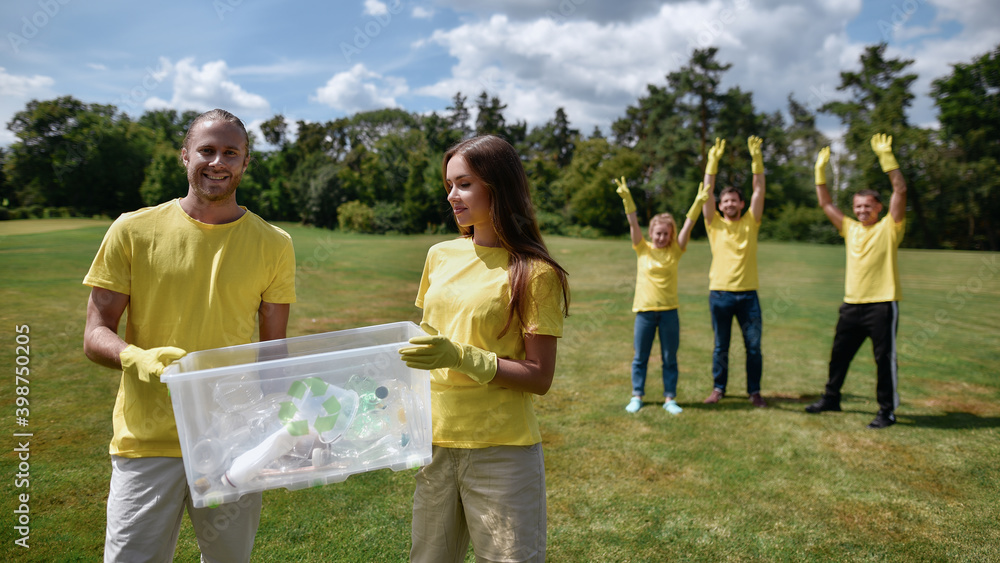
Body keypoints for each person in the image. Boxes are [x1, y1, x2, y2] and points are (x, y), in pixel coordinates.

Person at [82, 108, 297, 562]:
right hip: (147, 439)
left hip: (233, 442)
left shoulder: (275, 243)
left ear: (245, 162)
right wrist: (134, 358)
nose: (218, 161)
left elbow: (272, 352)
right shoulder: (133, 230)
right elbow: (96, 333)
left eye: (230, 152)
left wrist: (280, 432)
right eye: (207, 150)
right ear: (185, 156)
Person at [398, 135, 570, 563]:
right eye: (449, 185)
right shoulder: (440, 255)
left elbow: (540, 377)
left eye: (464, 184)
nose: (452, 196)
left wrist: (460, 356)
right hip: (436, 444)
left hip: (501, 452)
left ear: (499, 186)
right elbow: (426, 345)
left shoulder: (534, 273)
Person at [805, 134, 907, 429]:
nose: (862, 210)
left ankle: (886, 411)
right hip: (852, 305)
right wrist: (819, 172)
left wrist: (887, 158)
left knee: (883, 361)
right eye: (858, 206)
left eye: (868, 206)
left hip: (882, 305)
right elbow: (825, 203)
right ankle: (831, 398)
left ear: (879, 208)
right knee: (839, 355)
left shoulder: (891, 227)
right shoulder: (849, 229)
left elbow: (900, 189)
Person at [614, 176, 708, 414]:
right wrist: (628, 199)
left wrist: (697, 203)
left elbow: (688, 225)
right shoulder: (642, 248)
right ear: (652, 232)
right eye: (658, 233)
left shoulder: (675, 250)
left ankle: (670, 399)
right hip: (644, 312)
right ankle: (637, 396)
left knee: (670, 357)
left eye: (666, 234)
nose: (662, 238)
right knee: (640, 357)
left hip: (669, 313)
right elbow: (633, 224)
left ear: (670, 234)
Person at [701, 136, 768, 408]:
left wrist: (757, 161)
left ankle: (754, 391)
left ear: (742, 204)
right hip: (720, 295)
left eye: (734, 201)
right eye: (725, 200)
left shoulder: (752, 222)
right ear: (720, 205)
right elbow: (706, 190)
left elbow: (759, 191)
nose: (729, 204)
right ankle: (719, 388)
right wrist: (711, 163)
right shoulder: (713, 223)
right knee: (721, 347)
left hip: (748, 296)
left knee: (753, 347)